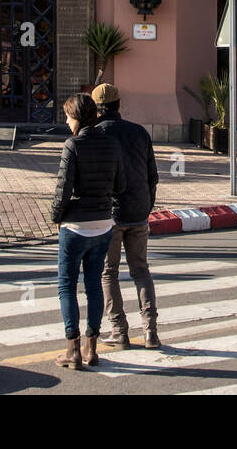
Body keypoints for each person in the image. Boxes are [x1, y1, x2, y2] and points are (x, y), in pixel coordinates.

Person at [50, 93, 124, 370]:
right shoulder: (112, 144)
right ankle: (91, 348)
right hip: (103, 224)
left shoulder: (73, 145)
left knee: (66, 284)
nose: (67, 121)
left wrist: (55, 216)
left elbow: (63, 189)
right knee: (93, 285)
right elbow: (120, 185)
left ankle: (72, 349)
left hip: (75, 227)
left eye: (69, 116)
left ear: (78, 117)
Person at [92, 82, 160, 350]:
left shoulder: (94, 134)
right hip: (138, 211)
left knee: (108, 273)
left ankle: (119, 331)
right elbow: (152, 175)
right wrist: (146, 205)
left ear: (97, 109)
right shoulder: (139, 132)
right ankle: (150, 332)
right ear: (119, 105)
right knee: (141, 271)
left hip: (109, 215)